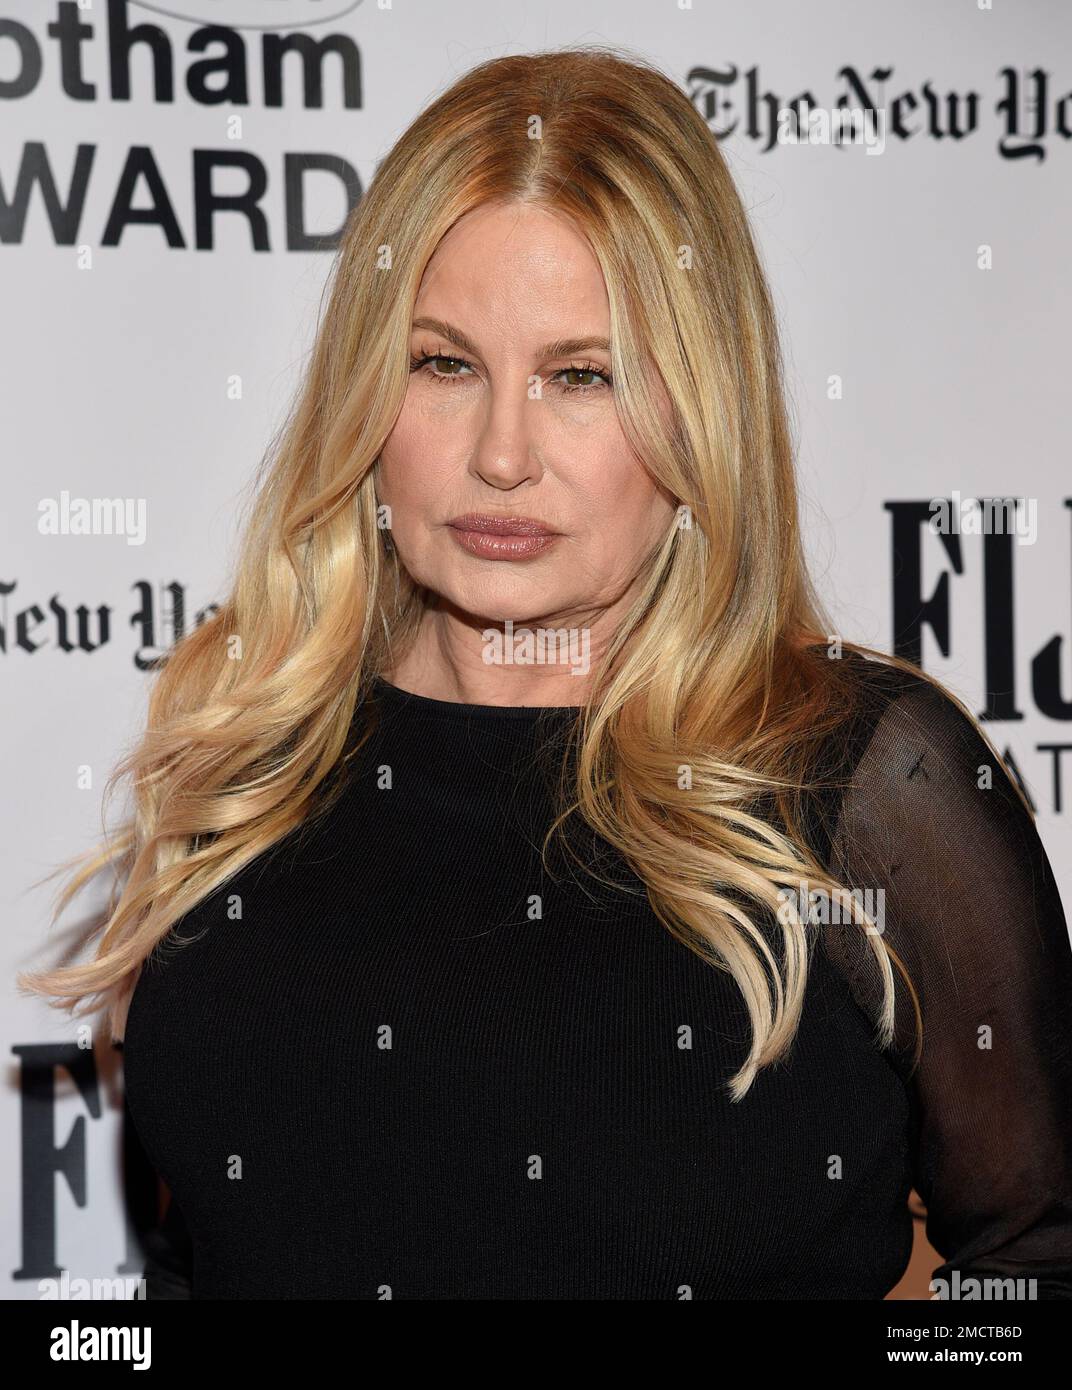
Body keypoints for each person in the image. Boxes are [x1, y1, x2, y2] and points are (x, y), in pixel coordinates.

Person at [21, 46, 1072, 1300]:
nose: (502, 452)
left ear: (699, 408)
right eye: (443, 363)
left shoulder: (862, 781)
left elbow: (1038, 1265)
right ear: (365, 387)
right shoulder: (245, 756)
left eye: (583, 375)